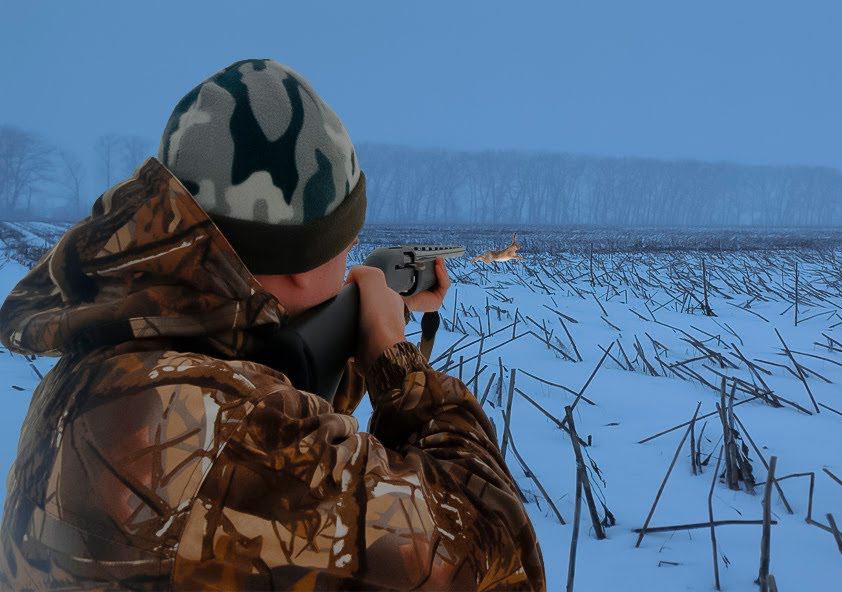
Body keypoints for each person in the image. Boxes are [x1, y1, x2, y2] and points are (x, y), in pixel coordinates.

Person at [0, 59, 545, 591]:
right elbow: (499, 556)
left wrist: (377, 310)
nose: (352, 255)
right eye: (345, 242)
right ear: (301, 266)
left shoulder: (102, 369)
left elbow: (268, 388)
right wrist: (393, 355)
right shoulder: (237, 431)